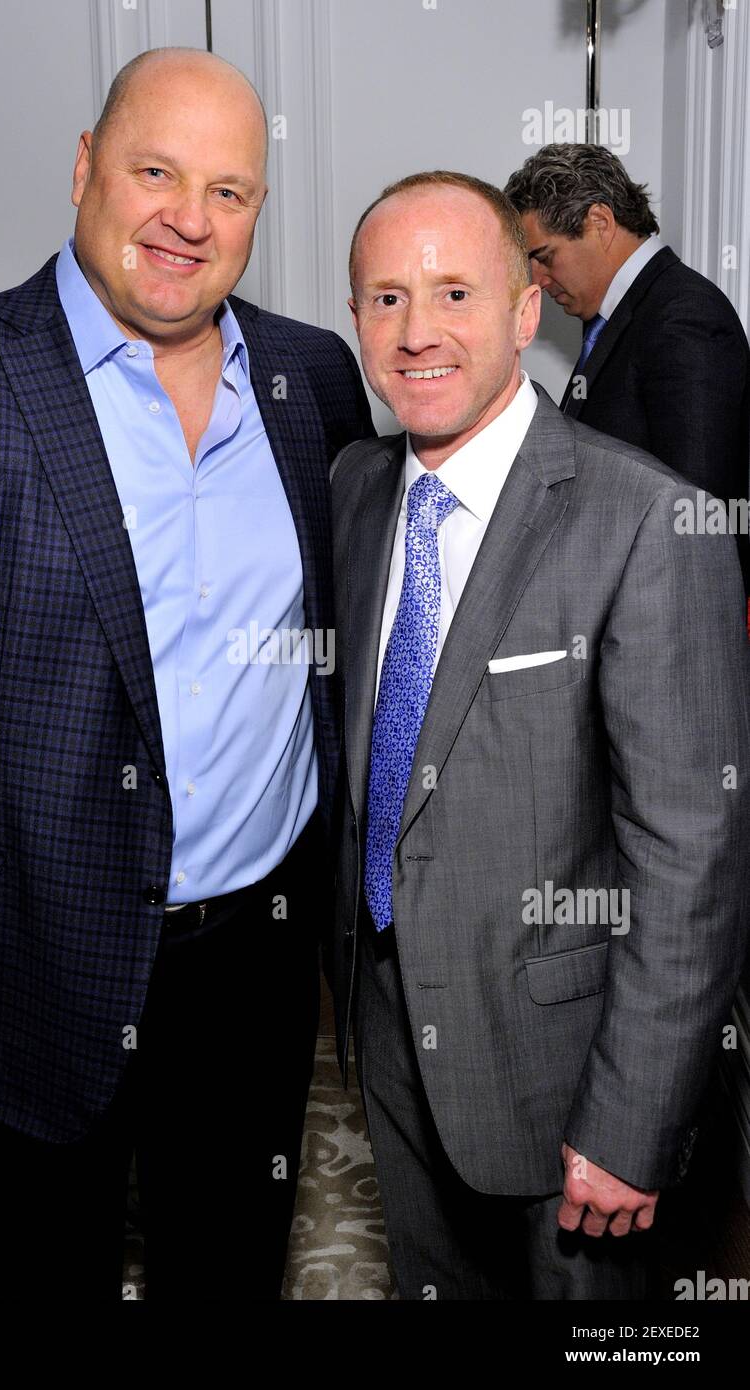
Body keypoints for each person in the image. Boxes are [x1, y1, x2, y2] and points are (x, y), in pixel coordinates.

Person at [0, 47, 372, 1301]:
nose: (189, 217)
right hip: (22, 960)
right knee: (36, 1278)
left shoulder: (308, 382)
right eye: (156, 171)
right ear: (82, 169)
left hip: (255, 959)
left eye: (228, 190)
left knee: (225, 1265)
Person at [326, 169, 750, 1299]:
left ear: (524, 312)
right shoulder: (355, 492)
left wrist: (631, 1116)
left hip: (565, 1078)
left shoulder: (643, 520)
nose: (417, 331)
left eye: (454, 292)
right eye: (383, 299)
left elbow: (688, 856)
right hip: (389, 1026)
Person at [504, 143, 750, 593]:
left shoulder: (683, 316)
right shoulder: (621, 314)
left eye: (545, 256)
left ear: (599, 222)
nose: (537, 279)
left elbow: (695, 514)